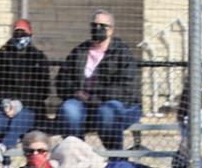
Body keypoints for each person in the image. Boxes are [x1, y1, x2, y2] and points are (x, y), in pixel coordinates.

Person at [54, 10, 141, 149]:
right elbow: (62, 80)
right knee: (69, 108)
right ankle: (78, 154)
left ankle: (115, 158)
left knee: (107, 111)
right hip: (82, 103)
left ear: (111, 30)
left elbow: (127, 86)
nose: (97, 28)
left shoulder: (121, 53)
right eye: (94, 25)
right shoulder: (79, 52)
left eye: (103, 25)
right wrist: (76, 93)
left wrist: (99, 96)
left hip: (116, 104)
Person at [0, 18, 53, 152]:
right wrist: (5, 101)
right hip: (3, 105)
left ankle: (3, 146)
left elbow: (43, 90)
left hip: (30, 106)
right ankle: (7, 150)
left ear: (30, 35)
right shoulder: (2, 55)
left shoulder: (38, 58)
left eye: (24, 34)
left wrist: (21, 103)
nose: (20, 38)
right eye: (17, 34)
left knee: (21, 120)